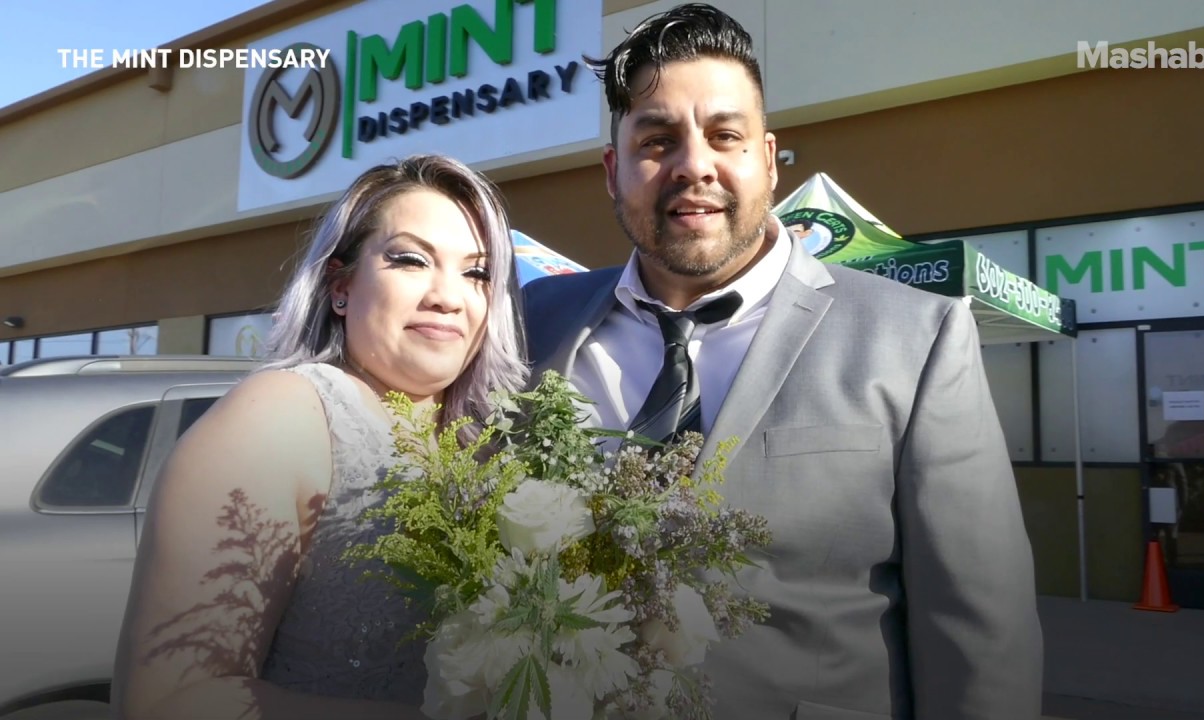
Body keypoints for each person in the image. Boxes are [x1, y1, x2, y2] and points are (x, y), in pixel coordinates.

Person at [522, 4, 1043, 718]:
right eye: (656, 140)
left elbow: (984, 637)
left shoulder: (916, 338)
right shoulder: (532, 325)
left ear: (767, 160)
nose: (692, 165)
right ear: (614, 171)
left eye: (724, 135)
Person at [111, 155, 527, 719]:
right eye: (410, 260)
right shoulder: (281, 415)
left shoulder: (490, 445)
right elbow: (168, 701)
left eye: (476, 273)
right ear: (340, 285)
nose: (447, 296)